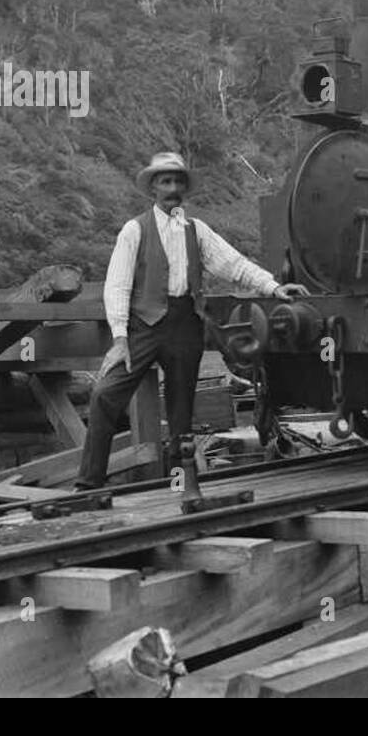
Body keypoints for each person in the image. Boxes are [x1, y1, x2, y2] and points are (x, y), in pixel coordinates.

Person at [75, 152, 308, 490]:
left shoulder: (197, 230)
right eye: (165, 182)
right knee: (104, 396)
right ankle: (88, 484)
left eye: (177, 182)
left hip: (185, 325)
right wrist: (120, 337)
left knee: (182, 412)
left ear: (184, 189)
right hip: (144, 327)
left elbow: (235, 265)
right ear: (153, 188)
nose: (172, 189)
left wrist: (273, 287)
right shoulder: (133, 230)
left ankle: (180, 485)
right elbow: (117, 285)